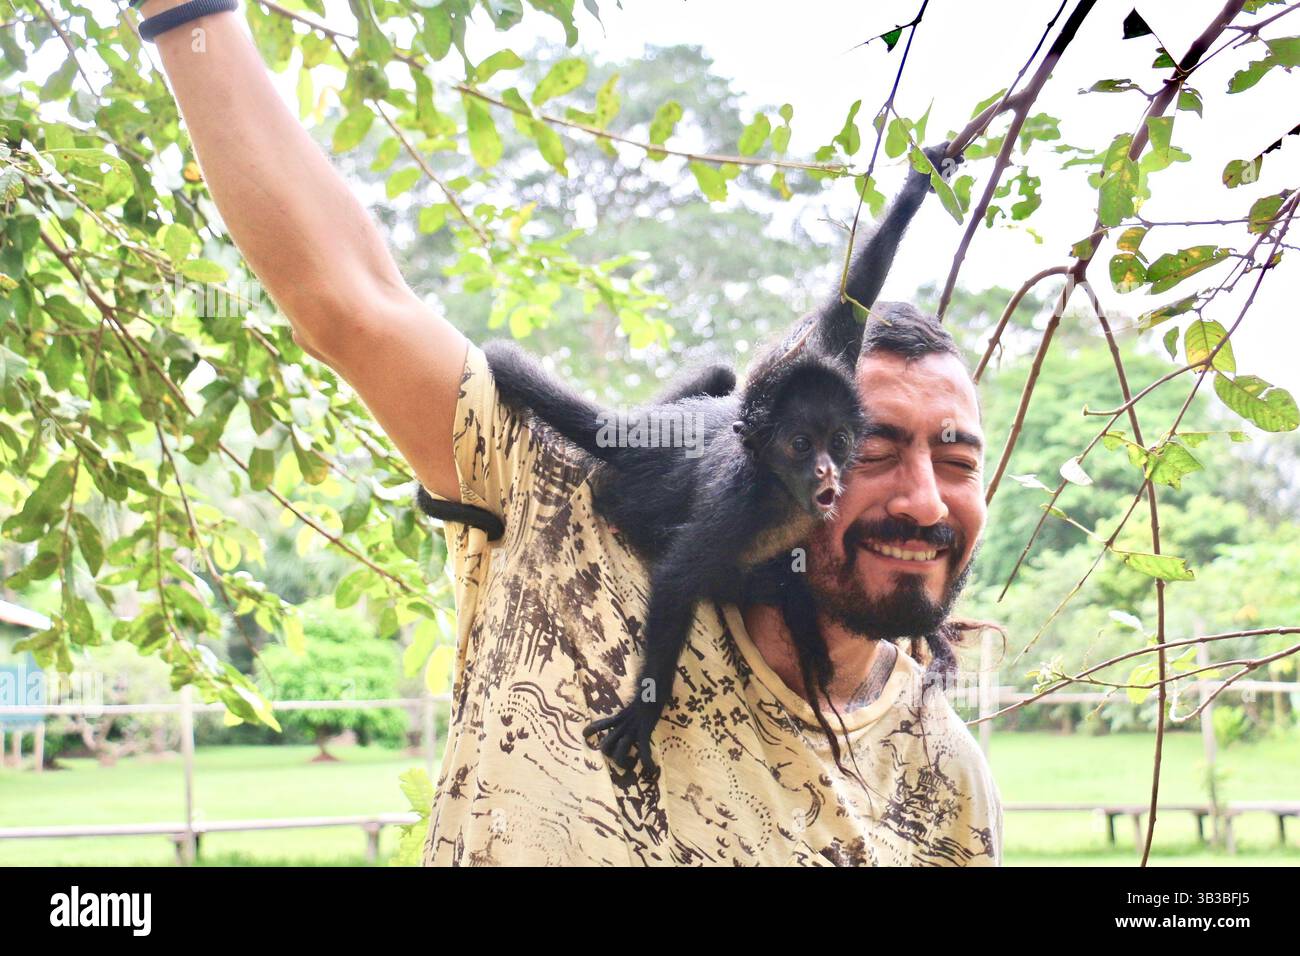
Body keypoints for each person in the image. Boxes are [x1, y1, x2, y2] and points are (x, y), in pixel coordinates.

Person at [137, 2, 1002, 866]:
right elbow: (350, 299)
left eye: (957, 457)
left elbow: (845, 310)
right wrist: (188, 15)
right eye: (881, 448)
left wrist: (918, 190)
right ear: (767, 433)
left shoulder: (948, 784)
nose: (923, 495)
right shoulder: (551, 505)